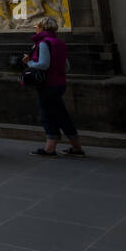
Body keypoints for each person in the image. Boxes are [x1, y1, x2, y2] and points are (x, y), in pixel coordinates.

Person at [26, 16, 85, 158]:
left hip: (48, 85)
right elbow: (67, 66)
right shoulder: (58, 43)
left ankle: (50, 149)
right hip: (59, 83)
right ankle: (76, 148)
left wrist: (29, 63)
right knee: (60, 114)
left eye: (37, 26)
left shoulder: (44, 43)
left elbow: (43, 65)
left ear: (43, 27)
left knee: (48, 115)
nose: (35, 28)